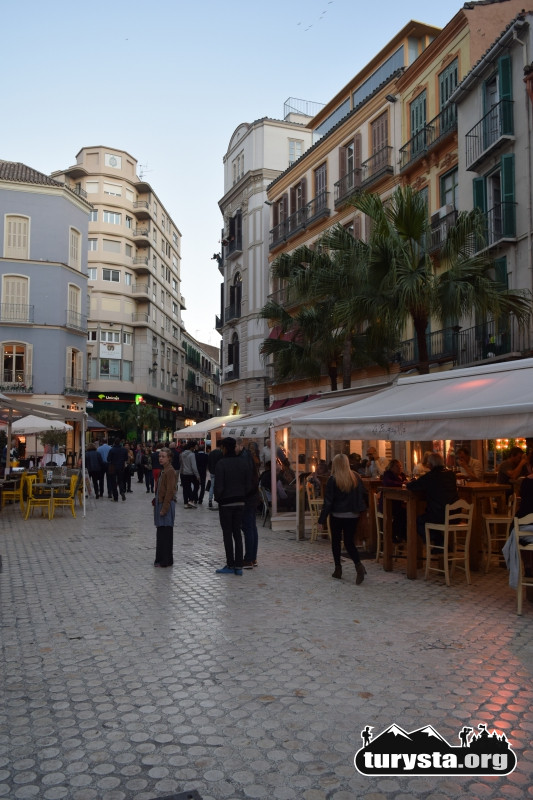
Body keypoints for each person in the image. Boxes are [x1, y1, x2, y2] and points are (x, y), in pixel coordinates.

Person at [318, 453, 367, 584]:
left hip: (337, 515)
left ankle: (338, 569)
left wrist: (321, 520)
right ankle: (358, 565)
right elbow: (363, 494)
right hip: (353, 515)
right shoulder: (356, 477)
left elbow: (328, 502)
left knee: (336, 542)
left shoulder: (333, 479)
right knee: (349, 542)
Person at [214, 437, 252, 576]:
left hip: (226, 503)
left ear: (224, 448)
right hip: (240, 501)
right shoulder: (243, 463)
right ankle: (238, 566)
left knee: (227, 533)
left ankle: (230, 564)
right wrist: (242, 495)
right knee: (237, 533)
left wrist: (219, 498)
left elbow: (219, 486)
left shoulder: (221, 463)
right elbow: (249, 483)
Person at [406, 452, 459, 545]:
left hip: (439, 515)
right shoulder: (451, 475)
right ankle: (441, 544)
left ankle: (437, 541)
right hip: (455, 516)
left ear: (430, 464)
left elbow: (411, 486)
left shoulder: (430, 476)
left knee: (419, 521)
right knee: (429, 519)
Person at [236, 439, 260, 569]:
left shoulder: (244, 458)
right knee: (252, 527)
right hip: (253, 496)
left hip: (248, 497)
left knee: (248, 527)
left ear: (240, 445)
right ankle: (253, 557)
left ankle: (249, 558)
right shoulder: (249, 457)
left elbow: (246, 479)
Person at [153, 447, 177, 568]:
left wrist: (164, 508)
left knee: (165, 533)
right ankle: (163, 558)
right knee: (161, 532)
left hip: (165, 505)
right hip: (161, 503)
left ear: (169, 458)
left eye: (163, 456)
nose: (160, 458)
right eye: (159, 456)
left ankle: (165, 560)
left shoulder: (170, 471)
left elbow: (170, 491)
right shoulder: (164, 470)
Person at [378, 459, 407, 542]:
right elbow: (387, 483)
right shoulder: (388, 474)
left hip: (398, 502)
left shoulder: (402, 475)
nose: (399, 468)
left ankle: (400, 535)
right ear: (391, 467)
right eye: (397, 466)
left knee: (406, 512)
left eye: (400, 466)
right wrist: (402, 484)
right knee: (403, 513)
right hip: (388, 503)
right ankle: (395, 534)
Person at [180, 441, 200, 508]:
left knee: (185, 488)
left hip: (183, 473)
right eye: (194, 447)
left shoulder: (182, 454)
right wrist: (197, 475)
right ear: (192, 447)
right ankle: (191, 500)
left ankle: (186, 503)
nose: (194, 448)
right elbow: (194, 466)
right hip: (191, 473)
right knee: (197, 486)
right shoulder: (192, 454)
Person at [207, 443, 223, 508]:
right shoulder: (221, 453)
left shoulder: (211, 453)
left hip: (212, 472)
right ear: (221, 446)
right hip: (219, 473)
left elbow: (208, 463)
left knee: (212, 486)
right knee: (219, 486)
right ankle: (219, 500)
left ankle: (210, 500)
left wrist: (210, 470)